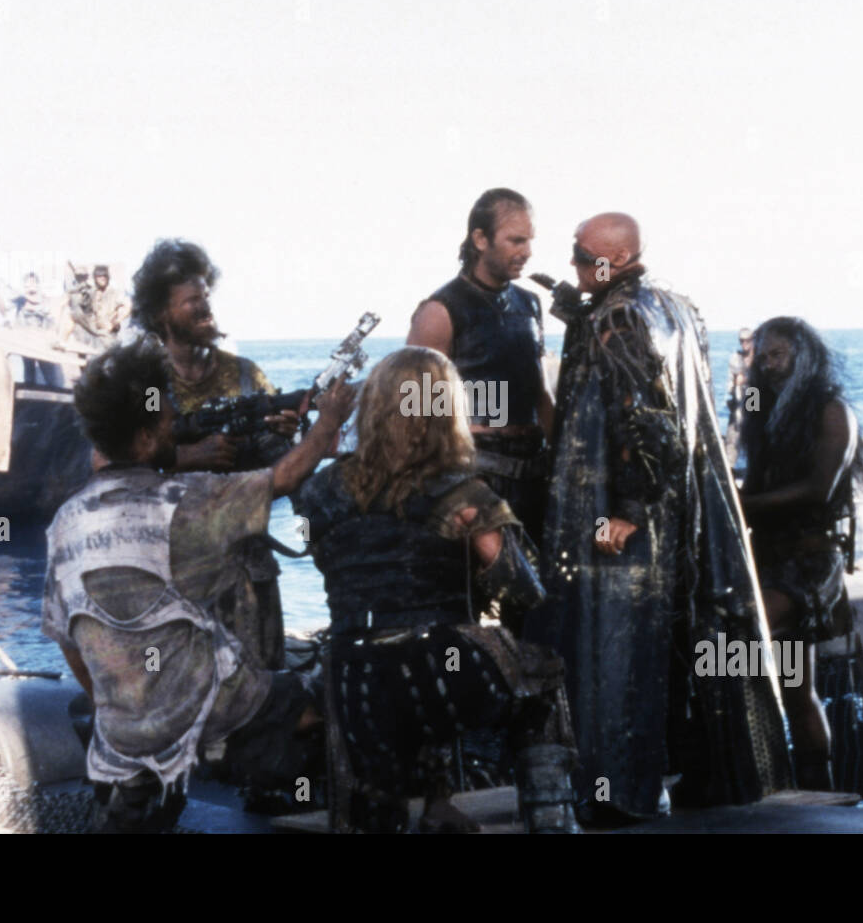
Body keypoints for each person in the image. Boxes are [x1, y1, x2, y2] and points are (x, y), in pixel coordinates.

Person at [524, 212, 792, 824]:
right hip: (681, 522)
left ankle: (617, 792)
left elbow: (645, 418)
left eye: (581, 256)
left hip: (625, 530)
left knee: (613, 652)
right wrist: (576, 308)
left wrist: (624, 512)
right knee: (673, 649)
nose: (572, 263)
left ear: (612, 262)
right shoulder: (672, 307)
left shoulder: (618, 317)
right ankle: (695, 780)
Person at [41, 335, 355, 832]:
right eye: (165, 416)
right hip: (218, 717)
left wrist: (120, 708)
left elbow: (70, 642)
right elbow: (284, 479)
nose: (174, 422)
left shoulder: (64, 523)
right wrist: (329, 423)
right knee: (339, 699)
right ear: (144, 438)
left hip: (124, 739)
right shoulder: (190, 503)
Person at [292, 346, 580, 833]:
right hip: (442, 671)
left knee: (389, 688)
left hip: (352, 676)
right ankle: (552, 821)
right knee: (538, 676)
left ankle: (428, 804)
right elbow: (525, 589)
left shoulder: (321, 489)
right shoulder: (463, 493)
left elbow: (315, 550)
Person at [129, 239, 300, 675]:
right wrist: (187, 456)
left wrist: (285, 433)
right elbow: (123, 464)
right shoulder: (149, 387)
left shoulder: (244, 375)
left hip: (247, 567)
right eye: (191, 301)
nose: (205, 307)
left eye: (206, 296)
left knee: (264, 688)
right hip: (174, 572)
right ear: (161, 315)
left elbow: (278, 475)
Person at [739, 317, 859, 790]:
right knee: (796, 690)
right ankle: (811, 793)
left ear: (803, 357)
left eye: (778, 356)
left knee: (744, 638)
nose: (768, 366)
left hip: (811, 563)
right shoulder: (764, 413)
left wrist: (741, 504)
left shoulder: (832, 412)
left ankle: (779, 782)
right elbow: (757, 482)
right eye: (762, 357)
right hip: (767, 557)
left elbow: (818, 489)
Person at [406, 188, 552, 544]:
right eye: (516, 240)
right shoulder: (440, 311)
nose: (527, 251)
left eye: (529, 240)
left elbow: (539, 393)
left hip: (533, 469)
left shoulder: (529, 304)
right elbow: (416, 412)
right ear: (480, 239)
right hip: (473, 472)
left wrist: (569, 457)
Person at [60, 263, 130, 350]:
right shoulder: (91, 288)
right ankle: (62, 342)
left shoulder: (114, 292)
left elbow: (128, 305)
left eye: (105, 276)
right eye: (99, 276)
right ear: (95, 278)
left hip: (106, 331)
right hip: (92, 324)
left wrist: (117, 320)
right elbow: (73, 290)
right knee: (70, 313)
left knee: (112, 352)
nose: (102, 278)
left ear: (108, 278)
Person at [723, 326, 754, 466]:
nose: (744, 343)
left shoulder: (759, 357)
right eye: (742, 340)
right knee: (733, 435)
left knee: (753, 432)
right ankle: (729, 467)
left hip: (754, 395)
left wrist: (746, 379)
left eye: (747, 340)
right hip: (738, 398)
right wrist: (733, 389)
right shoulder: (735, 358)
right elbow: (730, 382)